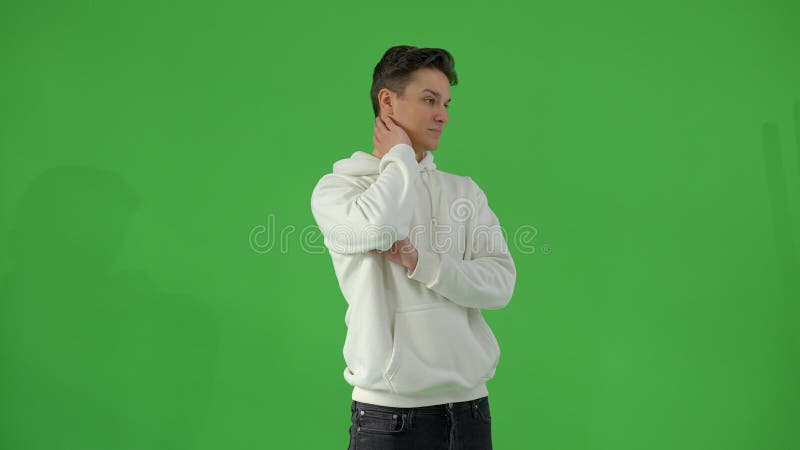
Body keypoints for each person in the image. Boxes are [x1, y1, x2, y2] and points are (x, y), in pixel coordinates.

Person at [310, 45, 516, 450]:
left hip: (471, 410)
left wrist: (422, 261)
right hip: (390, 417)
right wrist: (400, 156)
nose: (443, 114)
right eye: (429, 100)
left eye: (446, 103)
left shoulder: (464, 192)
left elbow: (500, 284)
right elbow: (382, 226)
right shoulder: (339, 190)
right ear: (387, 101)